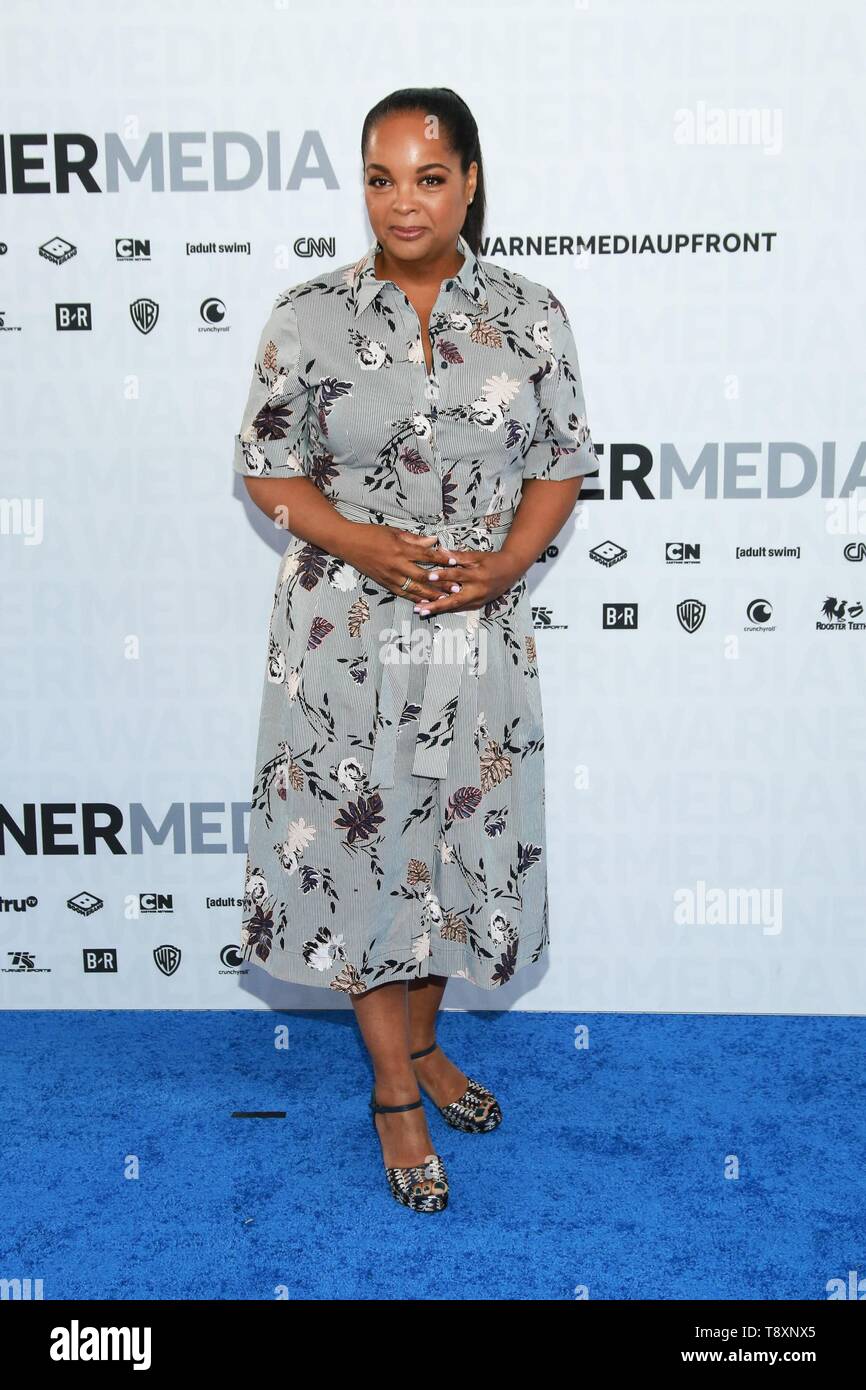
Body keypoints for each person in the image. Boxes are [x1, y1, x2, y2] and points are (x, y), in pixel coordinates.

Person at [233, 87, 599, 1213]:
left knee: (444, 844)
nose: (403, 201)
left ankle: (429, 1043)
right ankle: (394, 1087)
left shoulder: (531, 313)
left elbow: (560, 461)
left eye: (428, 177)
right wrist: (363, 543)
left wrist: (501, 568)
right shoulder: (305, 316)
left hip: (471, 631)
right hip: (342, 636)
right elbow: (265, 467)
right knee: (360, 851)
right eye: (381, 177)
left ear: (470, 181)